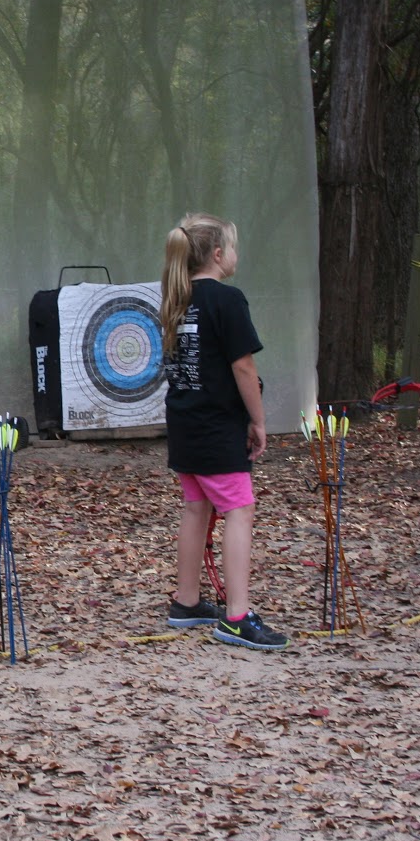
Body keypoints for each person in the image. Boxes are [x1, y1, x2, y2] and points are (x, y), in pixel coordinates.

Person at [158, 214, 288, 651]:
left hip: (185, 425)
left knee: (196, 508)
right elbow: (242, 365)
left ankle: (188, 602)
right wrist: (259, 420)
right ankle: (236, 616)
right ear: (217, 255)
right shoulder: (226, 300)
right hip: (216, 426)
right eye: (232, 247)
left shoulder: (176, 299)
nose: (235, 255)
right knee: (239, 510)